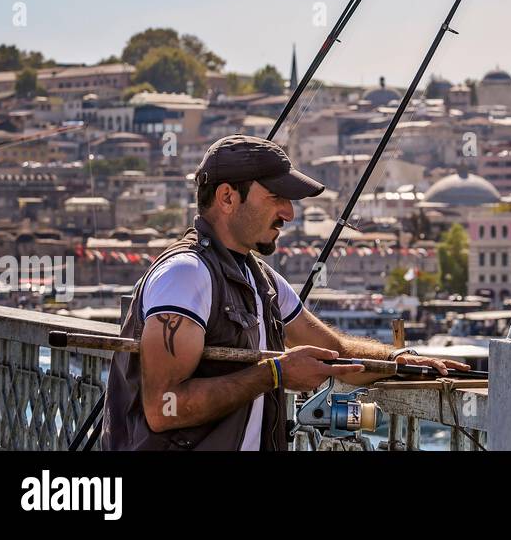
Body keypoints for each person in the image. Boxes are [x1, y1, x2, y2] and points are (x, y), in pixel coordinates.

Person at [101, 134, 467, 450]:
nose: (288, 213)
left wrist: (400, 363)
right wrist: (274, 375)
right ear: (227, 198)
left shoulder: (263, 281)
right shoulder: (185, 275)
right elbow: (164, 408)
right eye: (276, 197)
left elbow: (336, 354)